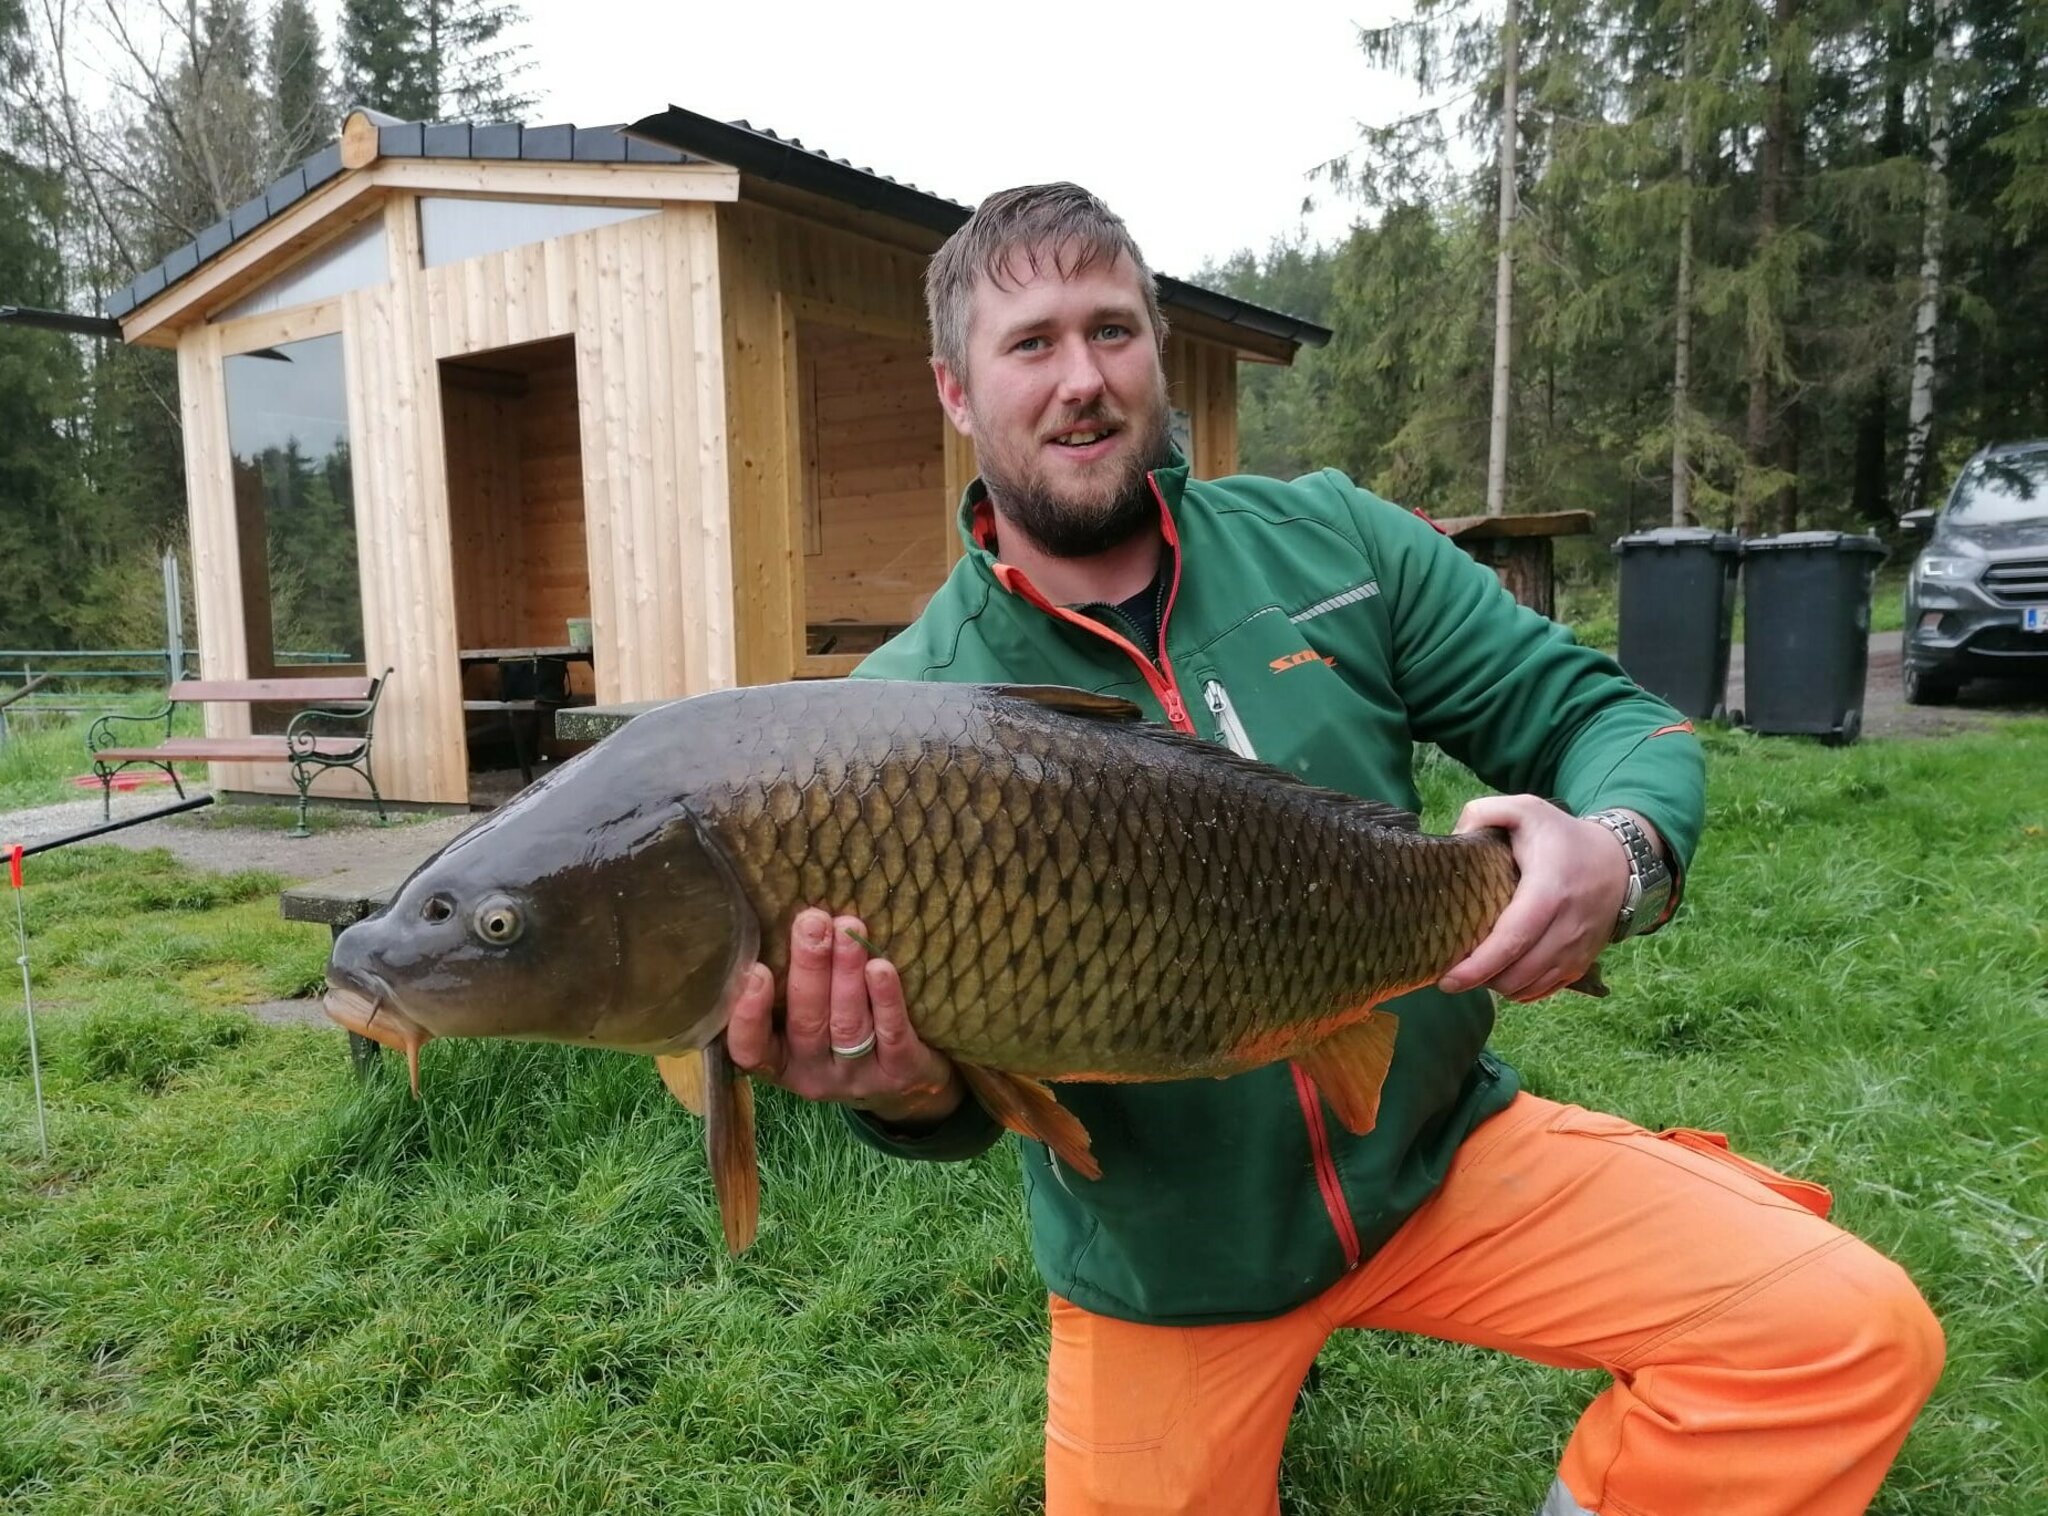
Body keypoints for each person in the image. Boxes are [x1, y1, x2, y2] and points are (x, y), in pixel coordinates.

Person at [723, 183, 1944, 1516]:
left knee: (1844, 1331)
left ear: (1158, 355)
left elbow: (1607, 721)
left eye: (1114, 332)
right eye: (1031, 345)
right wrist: (902, 1091)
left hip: (1440, 1158)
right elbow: (951, 1090)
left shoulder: (1336, 545)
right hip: (1172, 1267)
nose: (1083, 380)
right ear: (957, 392)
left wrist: (1620, 853)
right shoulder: (895, 720)